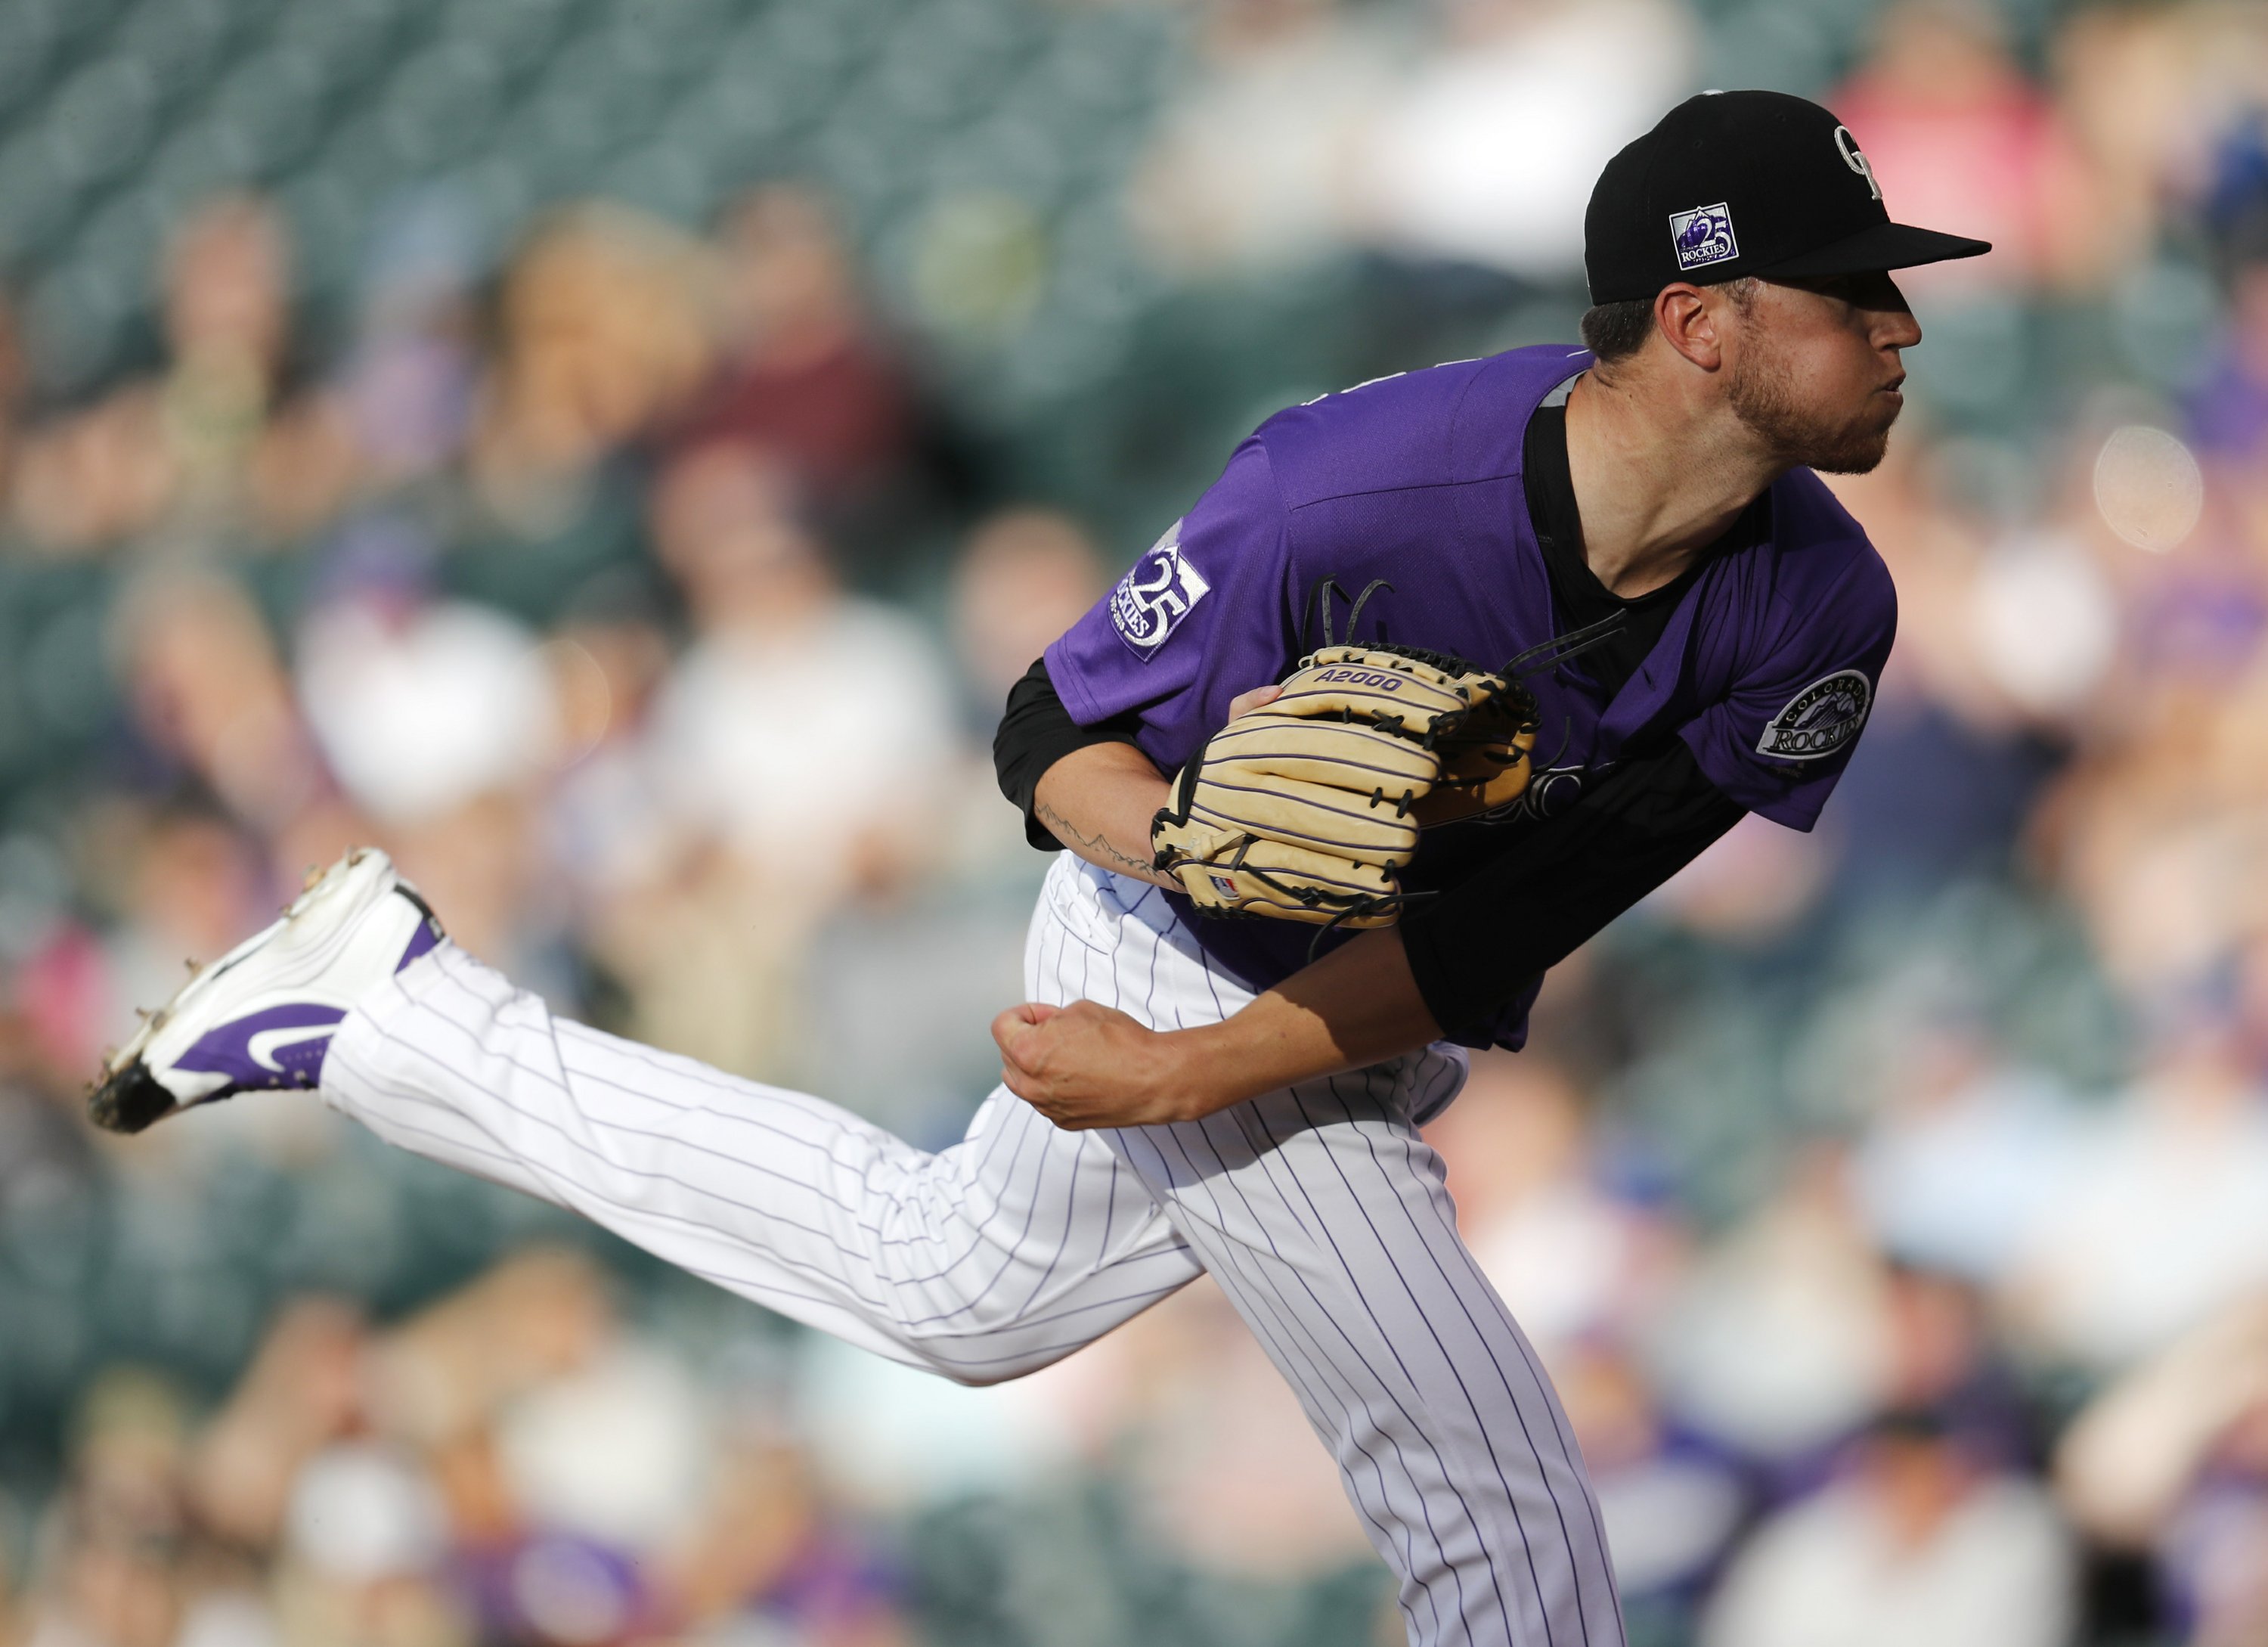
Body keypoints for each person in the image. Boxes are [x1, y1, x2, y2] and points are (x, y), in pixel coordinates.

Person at [91, 93, 1985, 1647]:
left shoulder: (1823, 604)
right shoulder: (1352, 487)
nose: (1899, 325)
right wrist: (1175, 854)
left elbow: (1522, 915)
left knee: (958, 1292)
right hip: (1170, 932)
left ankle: (389, 1015)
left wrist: (1183, 1083)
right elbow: (1040, 730)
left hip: (1317, 1012)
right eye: (1850, 295)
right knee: (1516, 1545)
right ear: (1702, 320)